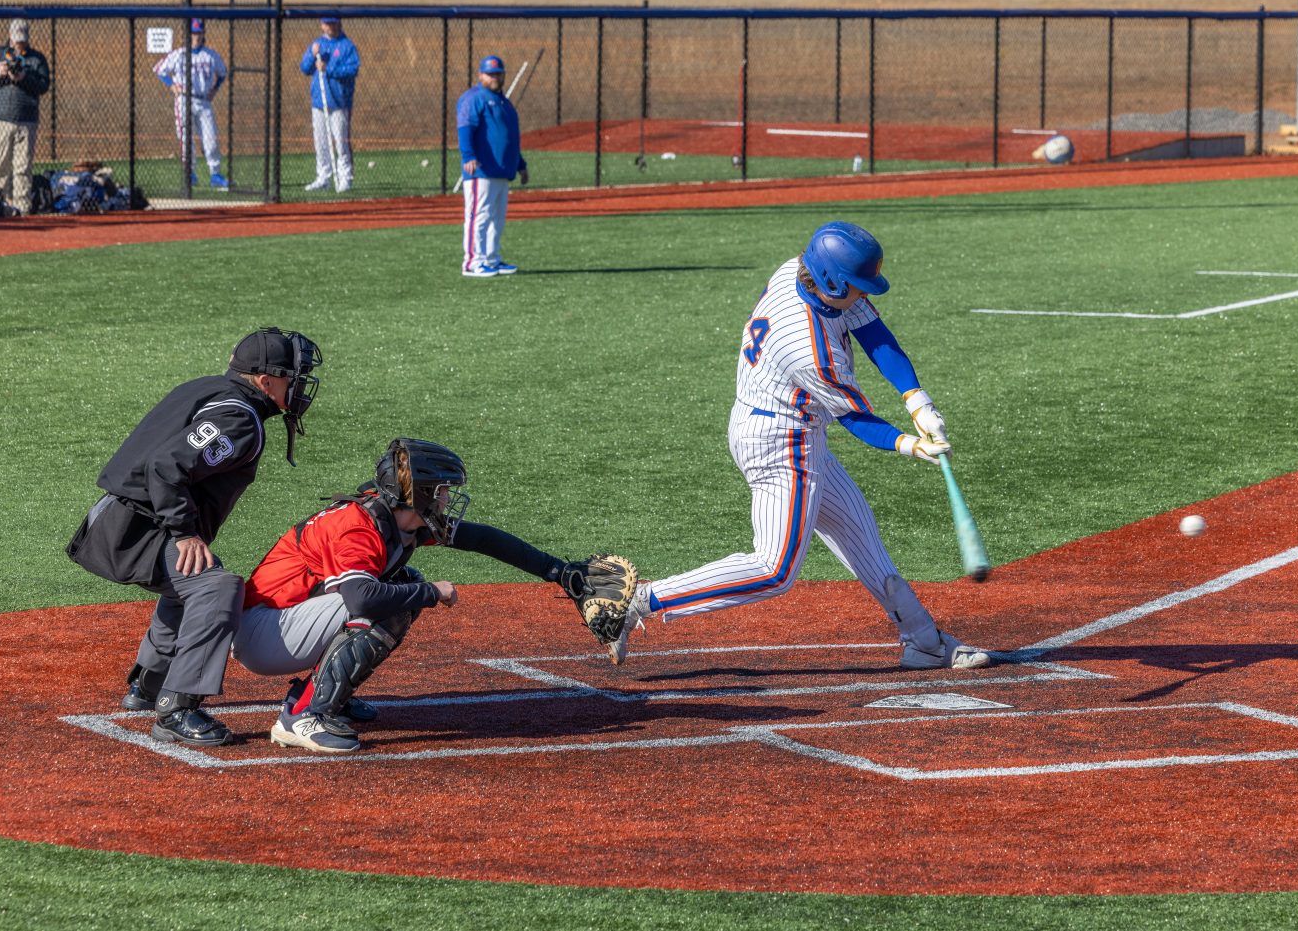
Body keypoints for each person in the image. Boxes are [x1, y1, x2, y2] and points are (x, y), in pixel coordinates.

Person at [603, 221, 993, 670]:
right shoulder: (807, 346)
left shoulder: (802, 271)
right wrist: (910, 445)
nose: (864, 295)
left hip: (795, 428)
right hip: (777, 441)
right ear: (831, 281)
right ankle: (632, 603)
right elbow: (857, 420)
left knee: (858, 533)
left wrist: (917, 400)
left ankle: (923, 640)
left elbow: (875, 335)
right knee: (775, 570)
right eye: (858, 287)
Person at [233, 438, 634, 754]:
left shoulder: (396, 518)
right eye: (440, 491)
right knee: (389, 595)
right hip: (266, 632)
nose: (446, 500)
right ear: (418, 493)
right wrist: (431, 593)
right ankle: (305, 716)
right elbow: (362, 599)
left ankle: (327, 696)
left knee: (401, 582)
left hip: (289, 621)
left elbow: (481, 538)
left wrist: (557, 572)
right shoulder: (355, 527)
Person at [65, 328, 323, 747]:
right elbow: (166, 467)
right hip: (135, 532)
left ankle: (148, 686)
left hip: (118, 520)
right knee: (217, 586)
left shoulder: (207, 388)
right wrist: (185, 533)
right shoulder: (240, 419)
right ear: (266, 381)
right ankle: (178, 708)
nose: (299, 387)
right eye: (294, 377)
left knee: (189, 581)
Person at [455, 54, 528, 277]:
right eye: (490, 73)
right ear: (480, 75)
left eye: (498, 73)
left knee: (497, 218)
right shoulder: (474, 97)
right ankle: (472, 262)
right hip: (481, 170)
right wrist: (468, 155)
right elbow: (466, 127)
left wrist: (520, 163)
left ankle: (491, 258)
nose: (494, 77)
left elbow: (509, 137)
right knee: (480, 215)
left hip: (501, 170)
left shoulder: (504, 102)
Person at [0, 18, 51, 216]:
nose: (20, 45)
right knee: (0, 167)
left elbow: (44, 85)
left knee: (23, 168)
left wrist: (24, 78)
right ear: (10, 36)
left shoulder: (37, 59)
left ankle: (22, 208)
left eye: (23, 41)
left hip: (26, 120)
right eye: (17, 41)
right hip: (1, 118)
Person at [154, 19, 229, 190]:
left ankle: (215, 175)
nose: (196, 36)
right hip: (184, 99)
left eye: (199, 32)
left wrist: (215, 89)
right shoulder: (179, 54)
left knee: (210, 139)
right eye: (194, 33)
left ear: (203, 34)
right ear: (188, 34)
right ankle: (191, 174)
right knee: (186, 139)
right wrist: (171, 85)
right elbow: (159, 70)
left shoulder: (211, 55)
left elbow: (223, 73)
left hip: (204, 101)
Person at [300, 17, 359, 193]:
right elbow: (304, 68)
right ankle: (323, 177)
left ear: (338, 24)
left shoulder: (347, 46)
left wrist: (329, 69)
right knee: (321, 142)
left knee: (341, 142)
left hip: (339, 102)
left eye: (332, 23)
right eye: (326, 23)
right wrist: (312, 55)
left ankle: (345, 178)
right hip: (319, 102)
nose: (329, 27)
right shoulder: (317, 44)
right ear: (321, 25)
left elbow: (352, 70)